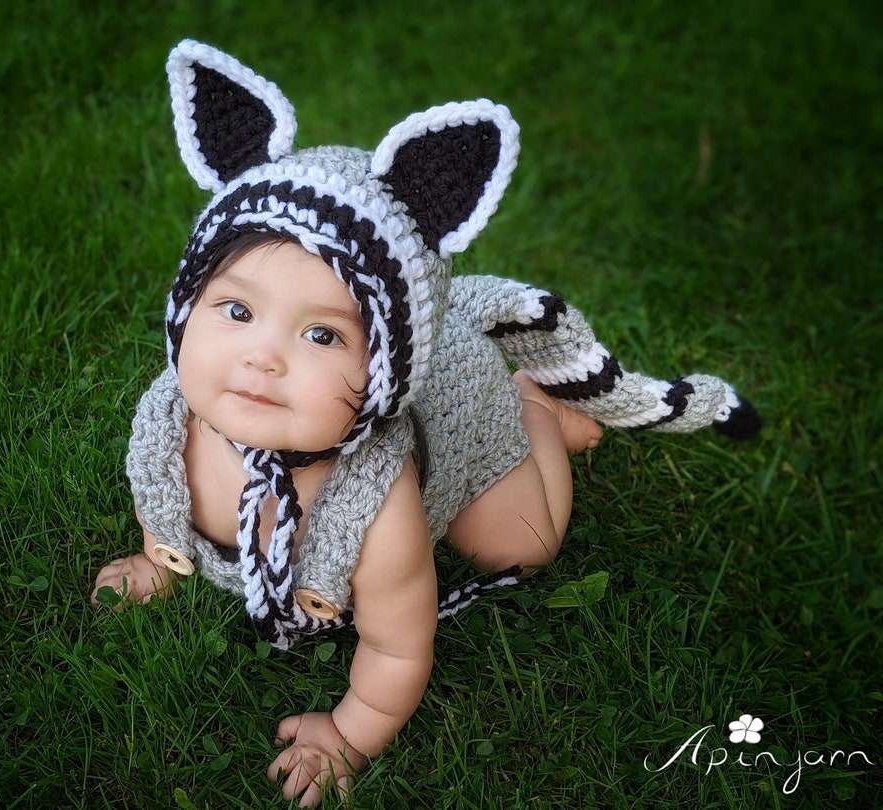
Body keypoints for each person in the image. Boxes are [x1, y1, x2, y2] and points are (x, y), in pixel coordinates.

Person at [93, 40, 761, 807]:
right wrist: (155, 557)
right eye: (237, 311)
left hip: (469, 416)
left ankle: (536, 411)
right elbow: (161, 499)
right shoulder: (169, 423)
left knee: (521, 545)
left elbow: (396, 643)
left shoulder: (379, 509)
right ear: (187, 308)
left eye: (323, 335)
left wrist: (349, 731)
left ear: (384, 373)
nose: (261, 358)